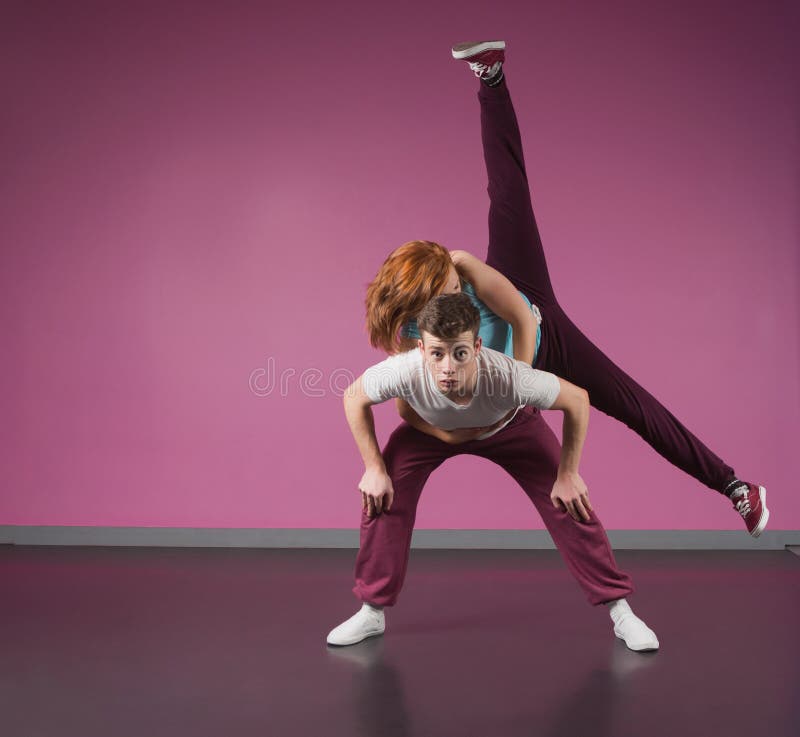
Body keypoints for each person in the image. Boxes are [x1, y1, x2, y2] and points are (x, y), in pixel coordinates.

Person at [364, 40, 768, 537]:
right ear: (420, 312)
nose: (456, 281)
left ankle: (735, 488)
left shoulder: (464, 266)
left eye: (452, 275)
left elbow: (515, 315)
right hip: (491, 361)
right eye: (448, 287)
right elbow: (406, 401)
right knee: (620, 406)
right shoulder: (413, 333)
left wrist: (520, 386)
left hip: (534, 310)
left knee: (631, 404)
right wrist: (448, 427)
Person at [327, 293, 659, 652]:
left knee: (569, 502)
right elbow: (353, 397)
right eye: (437, 353)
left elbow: (577, 400)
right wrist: (374, 468)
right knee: (381, 496)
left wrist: (569, 472)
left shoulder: (508, 376)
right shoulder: (404, 370)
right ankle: (371, 611)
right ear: (421, 349)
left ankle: (621, 612)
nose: (448, 367)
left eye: (460, 353)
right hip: (429, 433)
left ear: (478, 346)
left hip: (509, 429)